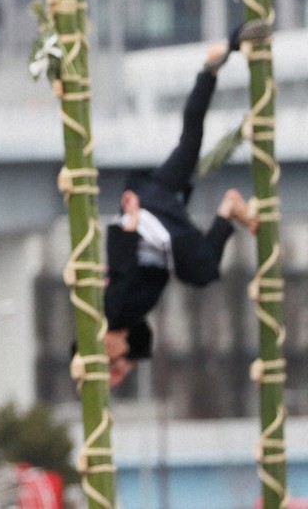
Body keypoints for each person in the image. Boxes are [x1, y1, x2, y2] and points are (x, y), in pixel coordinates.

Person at [101, 23, 268, 386]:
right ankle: (210, 69)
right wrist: (122, 366)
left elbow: (121, 266)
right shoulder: (127, 321)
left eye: (115, 360)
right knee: (191, 140)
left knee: (203, 270)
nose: (119, 359)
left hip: (148, 223)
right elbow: (140, 342)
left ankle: (229, 210)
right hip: (152, 198)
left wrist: (129, 224)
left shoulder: (111, 313)